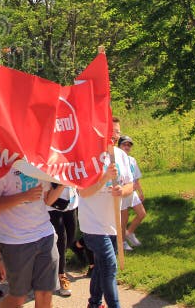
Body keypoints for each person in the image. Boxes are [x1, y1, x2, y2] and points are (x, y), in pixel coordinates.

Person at [77, 116, 134, 308]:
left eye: (117, 132)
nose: (114, 136)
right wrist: (104, 178)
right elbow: (83, 192)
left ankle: (94, 303)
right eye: (111, 132)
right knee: (110, 266)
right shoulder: (86, 155)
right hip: (92, 224)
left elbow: (130, 185)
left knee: (101, 266)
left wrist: (122, 191)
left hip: (112, 223)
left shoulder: (122, 155)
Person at [0, 161, 66, 308]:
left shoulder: (38, 161)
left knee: (46, 293)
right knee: (18, 297)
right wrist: (24, 196)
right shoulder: (1, 165)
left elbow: (47, 200)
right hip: (15, 241)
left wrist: (63, 183)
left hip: (45, 235)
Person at [48, 184, 79, 297]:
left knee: (71, 236)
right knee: (61, 239)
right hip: (52, 202)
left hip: (71, 202)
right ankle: (62, 276)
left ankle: (53, 262)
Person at [118, 135, 146, 250]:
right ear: (119, 146)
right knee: (124, 218)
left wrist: (140, 191)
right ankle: (122, 242)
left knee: (142, 214)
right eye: (124, 144)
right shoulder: (116, 159)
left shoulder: (132, 160)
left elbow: (136, 178)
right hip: (123, 192)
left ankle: (129, 233)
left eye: (129, 145)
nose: (126, 147)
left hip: (133, 192)